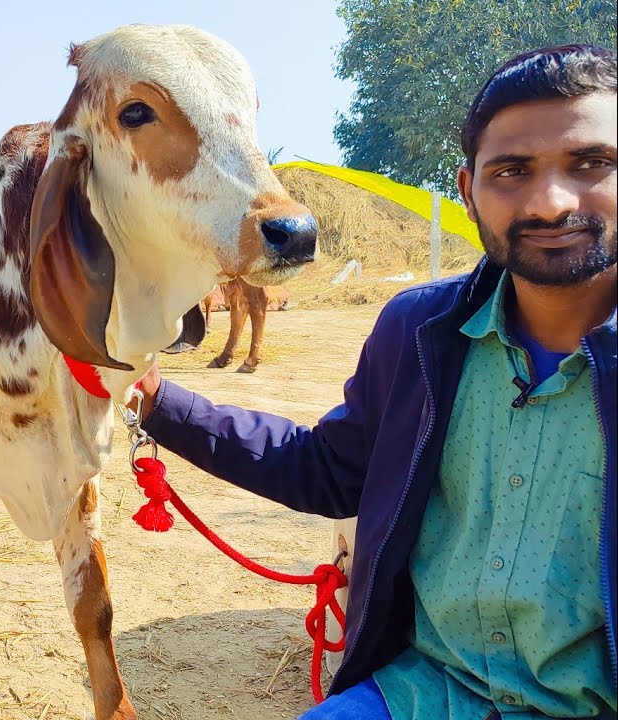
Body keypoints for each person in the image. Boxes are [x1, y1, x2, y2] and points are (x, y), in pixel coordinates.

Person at [133, 44, 616, 719]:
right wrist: (159, 402)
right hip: (428, 691)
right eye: (511, 170)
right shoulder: (418, 334)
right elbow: (328, 471)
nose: (550, 200)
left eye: (591, 163)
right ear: (467, 191)